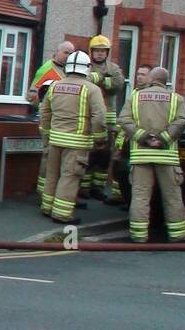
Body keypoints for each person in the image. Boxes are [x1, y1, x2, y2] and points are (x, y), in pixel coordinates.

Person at [119, 66, 185, 243]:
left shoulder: (135, 97)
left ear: (151, 79)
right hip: (167, 157)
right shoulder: (176, 99)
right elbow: (181, 122)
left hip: (141, 155)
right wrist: (163, 139)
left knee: (140, 196)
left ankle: (138, 235)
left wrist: (144, 138)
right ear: (166, 81)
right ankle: (178, 235)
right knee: (172, 196)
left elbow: (124, 120)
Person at [39, 50, 106, 224]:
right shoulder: (92, 89)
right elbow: (99, 117)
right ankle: (61, 213)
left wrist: (46, 134)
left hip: (54, 140)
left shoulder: (54, 86)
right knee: (69, 176)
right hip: (77, 142)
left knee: (52, 174)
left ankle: (47, 207)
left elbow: (44, 112)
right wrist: (100, 139)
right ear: (87, 69)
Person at [30, 41, 76, 200]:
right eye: (66, 53)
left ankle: (56, 193)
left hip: (63, 121)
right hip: (49, 120)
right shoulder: (46, 69)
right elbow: (31, 96)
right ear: (57, 52)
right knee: (49, 156)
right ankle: (44, 193)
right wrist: (46, 102)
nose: (69, 56)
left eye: (71, 53)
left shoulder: (67, 71)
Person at [85, 35, 125, 202]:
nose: (100, 54)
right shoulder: (86, 66)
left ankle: (98, 187)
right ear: (91, 52)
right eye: (97, 51)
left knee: (104, 155)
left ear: (107, 53)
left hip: (107, 120)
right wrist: (101, 80)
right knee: (88, 153)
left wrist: (99, 79)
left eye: (103, 51)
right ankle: (84, 188)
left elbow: (118, 85)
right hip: (89, 117)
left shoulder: (114, 68)